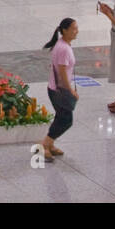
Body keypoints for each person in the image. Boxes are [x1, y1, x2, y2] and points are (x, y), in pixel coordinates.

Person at [38, 18, 78, 161]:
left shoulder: (62, 44)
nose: (76, 31)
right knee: (66, 120)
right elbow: (61, 73)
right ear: (65, 31)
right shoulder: (63, 49)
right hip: (59, 90)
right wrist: (71, 90)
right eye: (73, 28)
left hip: (56, 89)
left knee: (61, 117)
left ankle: (50, 144)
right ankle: (45, 144)